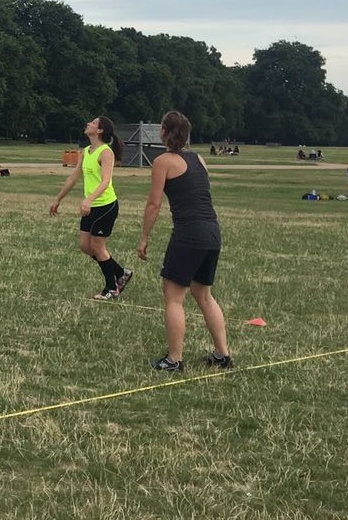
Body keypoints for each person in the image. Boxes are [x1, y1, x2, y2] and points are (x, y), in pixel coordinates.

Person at [136, 110, 231, 372]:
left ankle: (174, 359)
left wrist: (144, 238)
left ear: (164, 132)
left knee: (174, 297)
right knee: (204, 295)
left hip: (189, 234)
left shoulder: (163, 161)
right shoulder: (199, 158)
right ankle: (223, 355)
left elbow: (154, 204)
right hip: (212, 232)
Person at [51, 116, 133, 300]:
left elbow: (106, 181)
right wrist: (58, 200)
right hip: (91, 207)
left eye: (93, 123)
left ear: (100, 130)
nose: (89, 123)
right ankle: (121, 272)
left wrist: (89, 200)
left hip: (105, 206)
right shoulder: (86, 151)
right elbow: (73, 177)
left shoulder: (106, 152)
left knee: (97, 246)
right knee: (85, 246)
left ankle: (111, 288)